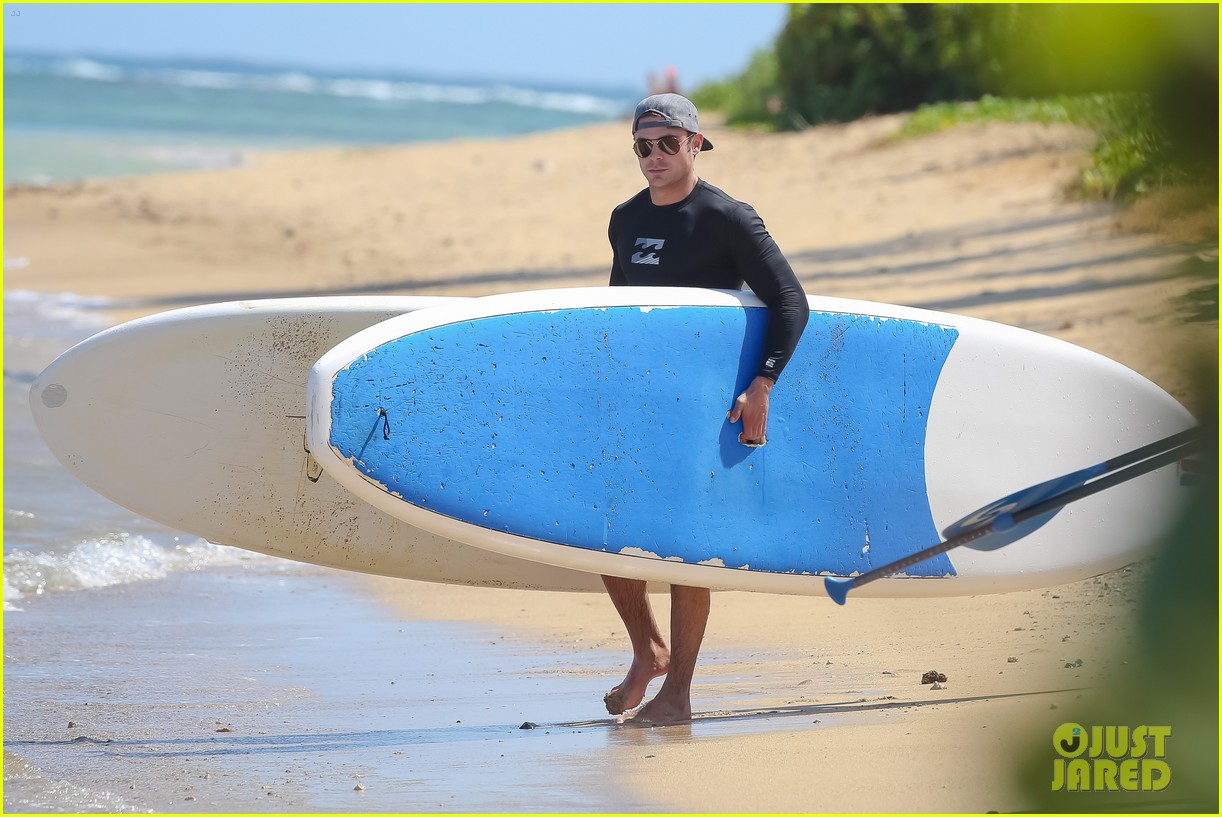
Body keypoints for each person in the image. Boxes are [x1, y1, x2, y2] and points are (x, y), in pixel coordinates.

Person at [603, 94, 809, 725]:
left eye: (669, 142)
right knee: (606, 530)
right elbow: (618, 315)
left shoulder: (728, 218)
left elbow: (791, 303)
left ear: (696, 144)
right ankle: (648, 650)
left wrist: (762, 385)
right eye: (644, 145)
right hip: (641, 404)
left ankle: (679, 694)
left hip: (703, 408)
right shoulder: (625, 220)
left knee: (684, 545)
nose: (655, 155)